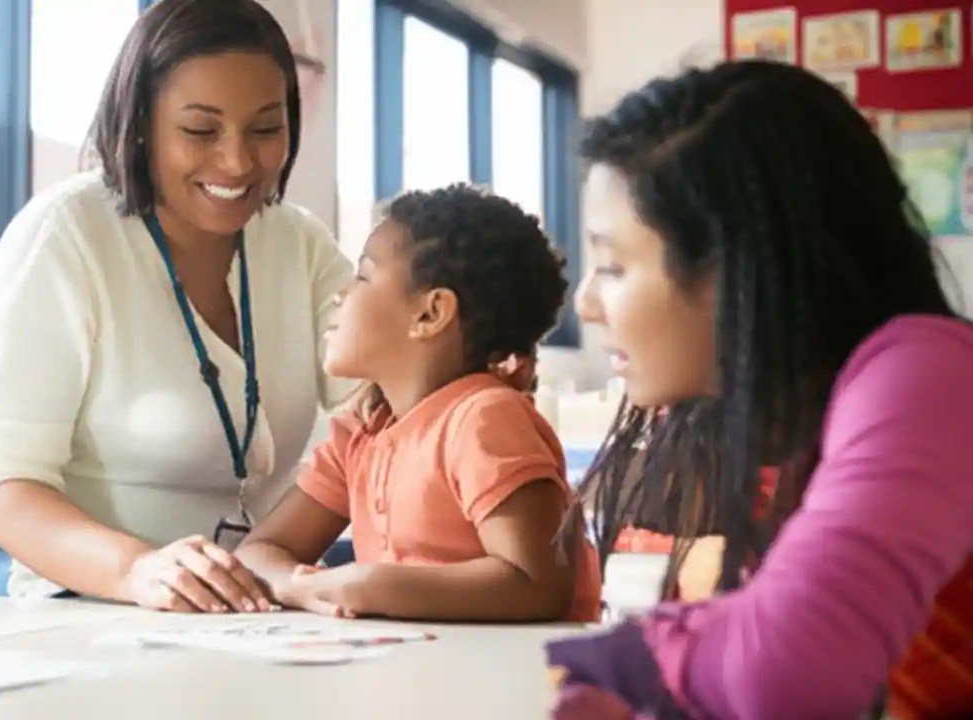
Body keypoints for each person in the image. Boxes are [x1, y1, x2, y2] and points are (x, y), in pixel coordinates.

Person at [543, 60, 973, 719]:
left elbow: (788, 671)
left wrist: (640, 656)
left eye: (613, 266)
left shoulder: (923, 372)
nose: (589, 304)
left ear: (735, 271)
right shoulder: (782, 429)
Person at [0, 0, 358, 612]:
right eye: (201, 130)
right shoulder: (66, 234)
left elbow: (386, 404)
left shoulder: (297, 242)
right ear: (141, 121)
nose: (238, 161)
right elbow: (0, 483)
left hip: (234, 605)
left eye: (266, 129)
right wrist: (135, 570)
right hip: (64, 597)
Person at [236, 184, 602, 622]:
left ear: (430, 314)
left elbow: (536, 584)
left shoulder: (485, 418)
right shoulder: (362, 434)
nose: (340, 294)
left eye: (363, 275)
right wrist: (301, 587)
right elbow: (259, 552)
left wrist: (367, 585)